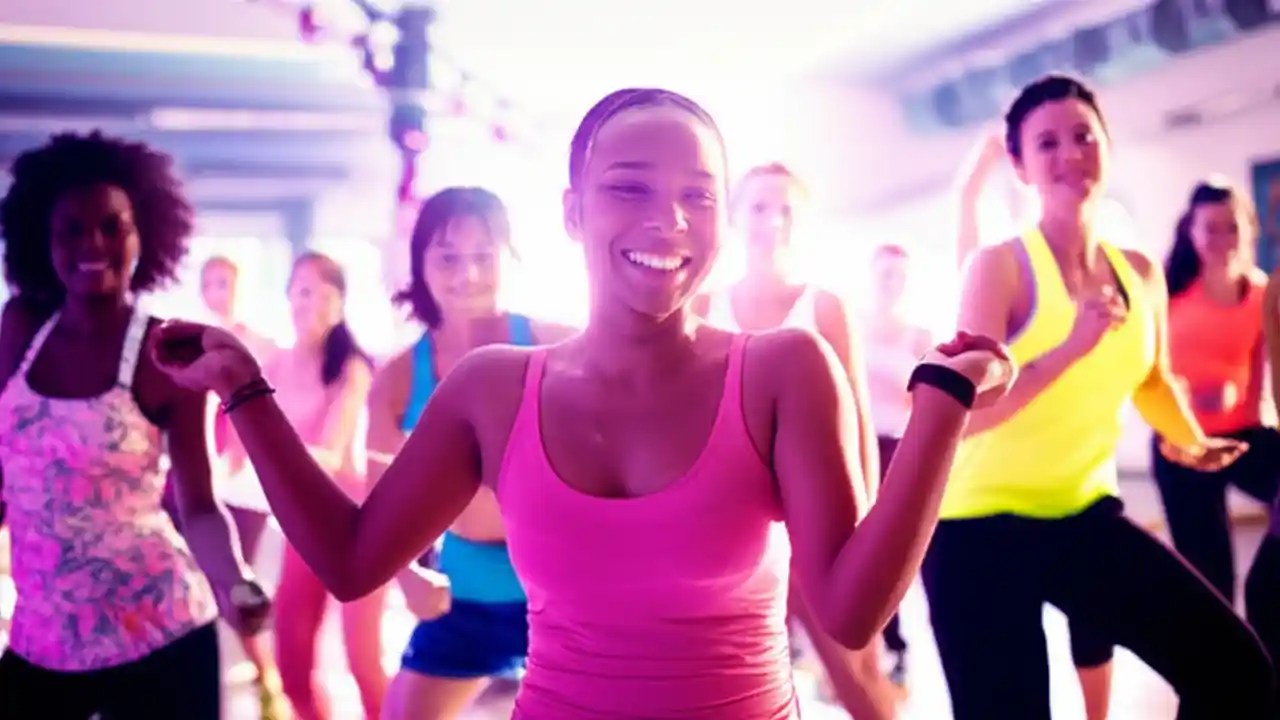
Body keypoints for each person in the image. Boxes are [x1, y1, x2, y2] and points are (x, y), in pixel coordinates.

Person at [148, 87, 1017, 720]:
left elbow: (852, 611)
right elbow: (350, 557)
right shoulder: (494, 387)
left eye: (697, 195)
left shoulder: (785, 368)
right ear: (571, 211)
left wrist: (941, 402)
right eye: (629, 187)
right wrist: (244, 389)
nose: (668, 220)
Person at [922, 74, 1273, 720]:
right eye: (1046, 143)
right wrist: (1068, 349)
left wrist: (1190, 440)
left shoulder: (1139, 273)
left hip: (1083, 515)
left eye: (1083, 135)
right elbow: (963, 419)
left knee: (1237, 671)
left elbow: (1151, 377)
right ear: (1021, 167)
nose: (1069, 154)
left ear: (1106, 146)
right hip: (977, 531)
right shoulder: (998, 267)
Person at [0, 131, 267, 719]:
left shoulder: (163, 353)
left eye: (112, 226)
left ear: (142, 235)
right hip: (39, 644)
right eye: (72, 228)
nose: (92, 243)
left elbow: (197, 506)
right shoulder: (18, 330)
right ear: (43, 240)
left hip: (159, 635)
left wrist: (236, 579)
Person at [695, 162, 897, 719]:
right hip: (730, 532)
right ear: (735, 216)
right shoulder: (702, 306)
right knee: (736, 684)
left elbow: (856, 420)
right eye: (760, 206)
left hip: (814, 527)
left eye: (787, 209)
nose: (774, 221)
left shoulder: (825, 306)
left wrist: (869, 529)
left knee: (858, 678)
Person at [372, 187, 573, 719]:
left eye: (484, 255)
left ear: (510, 257)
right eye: (448, 257)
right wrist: (407, 576)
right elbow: (376, 506)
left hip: (564, 597)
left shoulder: (558, 347)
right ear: (419, 264)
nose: (468, 273)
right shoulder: (396, 379)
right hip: (464, 599)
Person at [269, 252, 386, 720]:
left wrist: (269, 459)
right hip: (303, 526)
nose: (311, 302)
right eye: (302, 290)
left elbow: (333, 453)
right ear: (287, 297)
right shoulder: (274, 365)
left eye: (324, 292)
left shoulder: (353, 368)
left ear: (340, 305)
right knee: (290, 660)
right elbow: (240, 444)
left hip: (361, 525)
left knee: (362, 661)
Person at [1155, 179, 1280, 605]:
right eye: (1210, 228)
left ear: (1249, 231)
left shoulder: (1262, 292)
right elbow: (1148, 375)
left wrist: (1258, 409)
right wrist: (1194, 398)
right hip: (1183, 442)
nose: (1222, 239)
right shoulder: (1168, 295)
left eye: (1232, 227)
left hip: (1245, 434)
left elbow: (1266, 369)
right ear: (1191, 231)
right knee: (1212, 586)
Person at [195, 254, 290, 718]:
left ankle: (268, 681)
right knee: (221, 581)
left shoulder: (262, 345)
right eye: (211, 284)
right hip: (213, 479)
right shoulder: (191, 347)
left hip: (248, 482)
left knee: (235, 579)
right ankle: (264, 677)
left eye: (226, 283)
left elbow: (269, 412)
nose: (219, 292)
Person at [859, 242, 933, 689]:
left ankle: (896, 642)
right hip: (860, 446)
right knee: (861, 547)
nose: (893, 284)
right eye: (886, 274)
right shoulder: (854, 328)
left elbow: (922, 402)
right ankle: (860, 645)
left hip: (901, 452)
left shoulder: (918, 336)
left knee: (899, 551)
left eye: (900, 276)